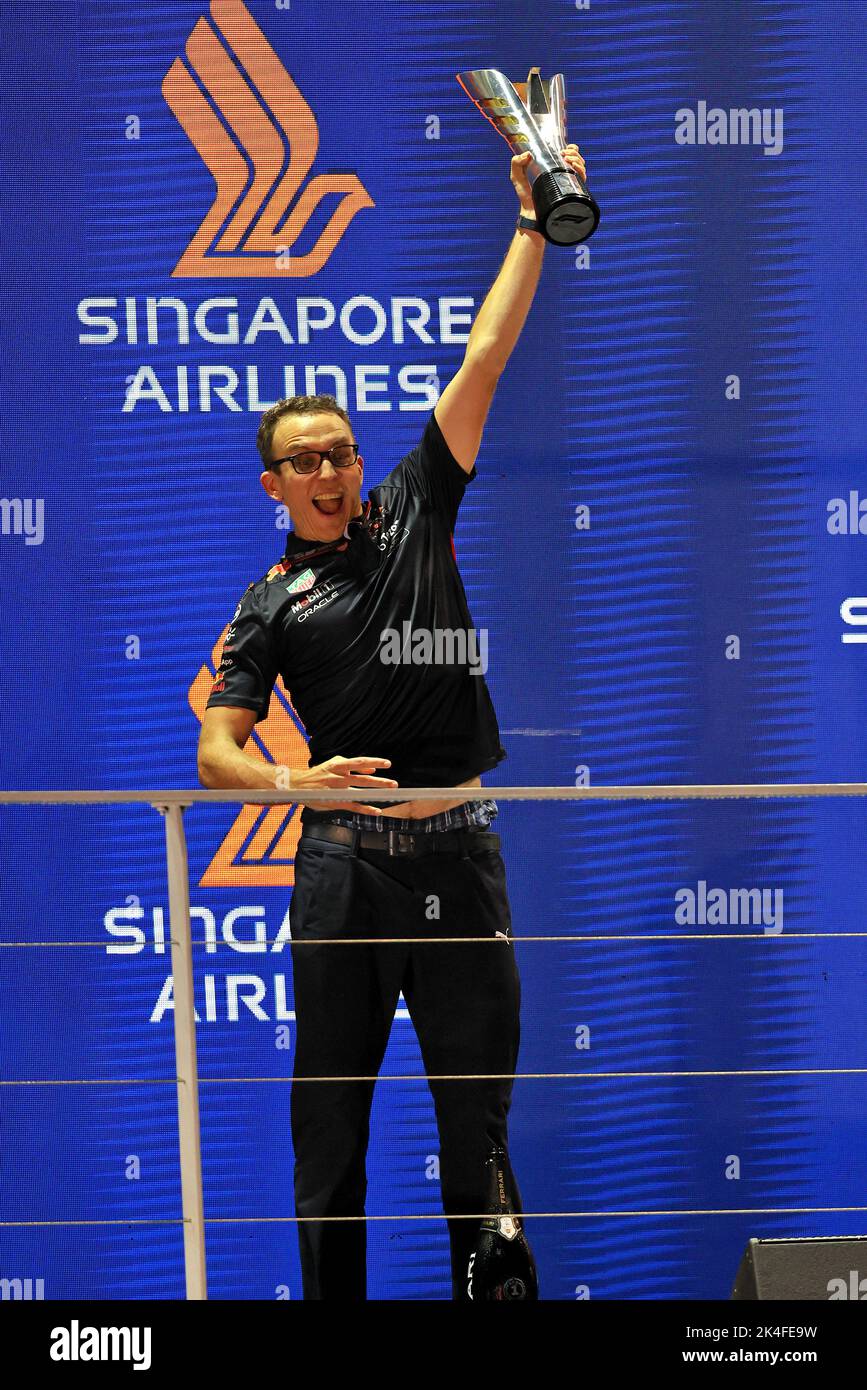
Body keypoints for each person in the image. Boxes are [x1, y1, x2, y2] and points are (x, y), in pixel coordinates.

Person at [197, 144, 588, 1299]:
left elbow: (486, 354)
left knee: (479, 1130)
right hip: (340, 874)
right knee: (330, 1140)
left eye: (338, 452)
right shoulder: (267, 605)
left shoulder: (420, 497)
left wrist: (531, 222)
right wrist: (290, 788)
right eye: (300, 462)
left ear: (362, 461)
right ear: (271, 484)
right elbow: (216, 753)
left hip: (459, 855)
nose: (326, 471)